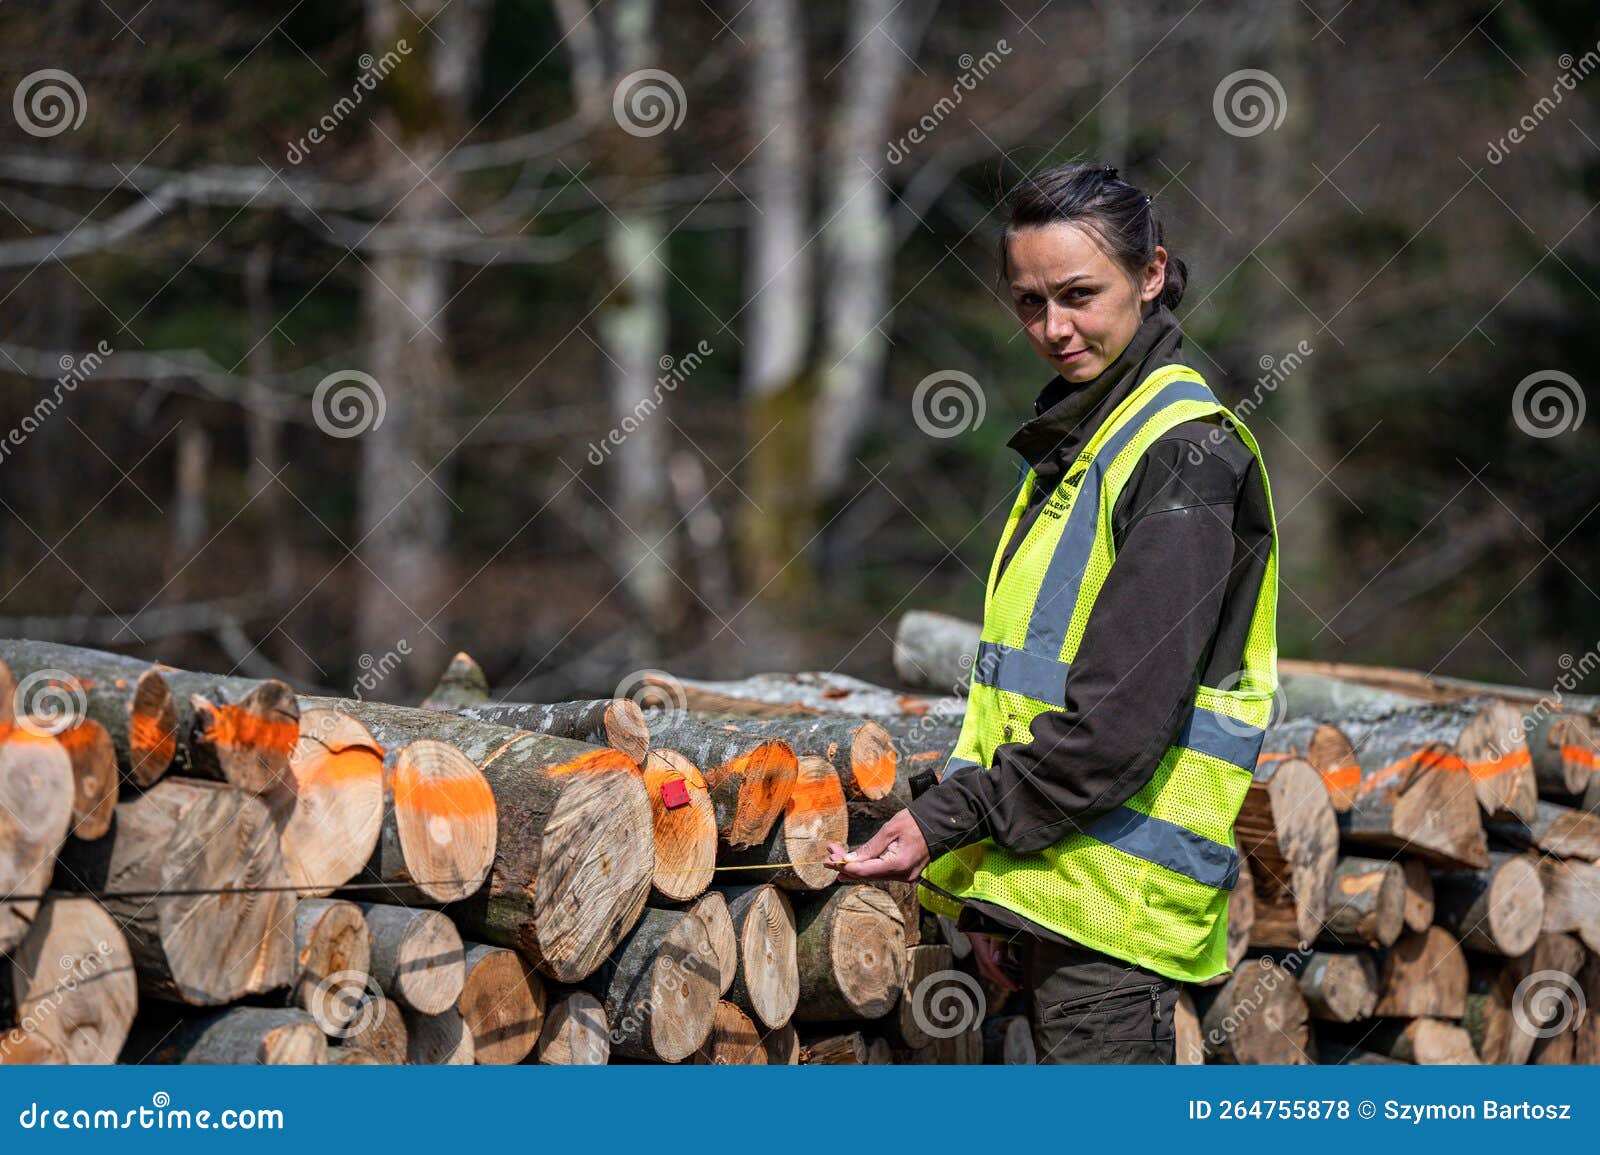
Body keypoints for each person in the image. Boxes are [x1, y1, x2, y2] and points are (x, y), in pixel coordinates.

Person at [828, 161, 1279, 1065]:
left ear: (1152, 274)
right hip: (1054, 895)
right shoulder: (1092, 437)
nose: (1052, 328)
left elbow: (1116, 726)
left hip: (1110, 924)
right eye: (1029, 302)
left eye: (1079, 294)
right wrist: (995, 885)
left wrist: (948, 823)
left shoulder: (1183, 452)